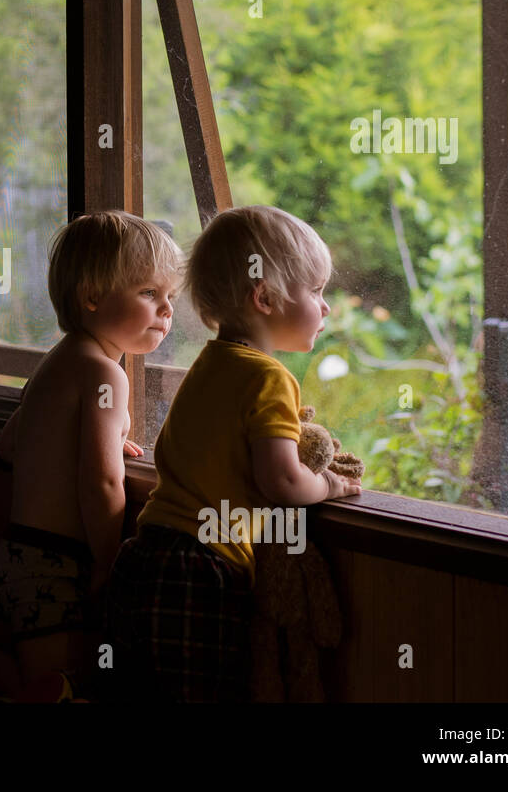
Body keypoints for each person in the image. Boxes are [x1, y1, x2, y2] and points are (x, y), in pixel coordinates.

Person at [103, 204, 361, 702]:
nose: (326, 307)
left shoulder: (209, 365)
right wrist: (330, 484)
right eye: (317, 291)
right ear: (263, 296)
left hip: (144, 553)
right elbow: (282, 482)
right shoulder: (269, 377)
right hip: (200, 567)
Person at [0, 210, 182, 701]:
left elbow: (10, 444)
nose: (167, 310)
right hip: (54, 562)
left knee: (70, 660)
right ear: (91, 297)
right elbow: (103, 483)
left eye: (169, 297)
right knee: (45, 688)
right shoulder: (107, 375)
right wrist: (110, 561)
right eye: (150, 294)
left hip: (21, 551)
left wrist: (92, 438)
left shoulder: (58, 360)